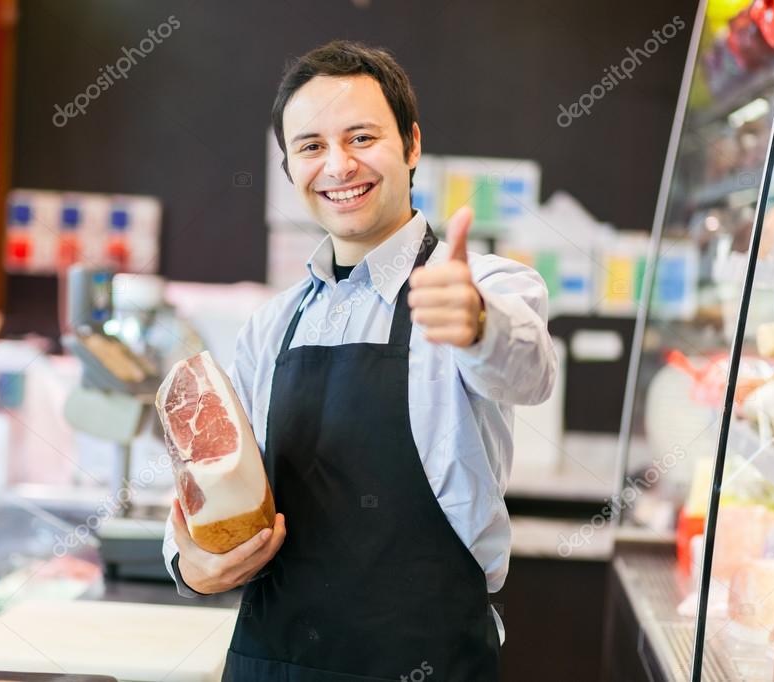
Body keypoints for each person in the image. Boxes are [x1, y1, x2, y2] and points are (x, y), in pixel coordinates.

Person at [163, 39, 557, 681]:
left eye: (362, 137)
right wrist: (189, 564)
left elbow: (528, 371)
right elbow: (214, 482)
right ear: (291, 169)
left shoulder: (484, 285)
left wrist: (477, 325)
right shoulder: (271, 325)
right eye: (311, 147)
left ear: (411, 144)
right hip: (271, 661)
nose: (338, 165)